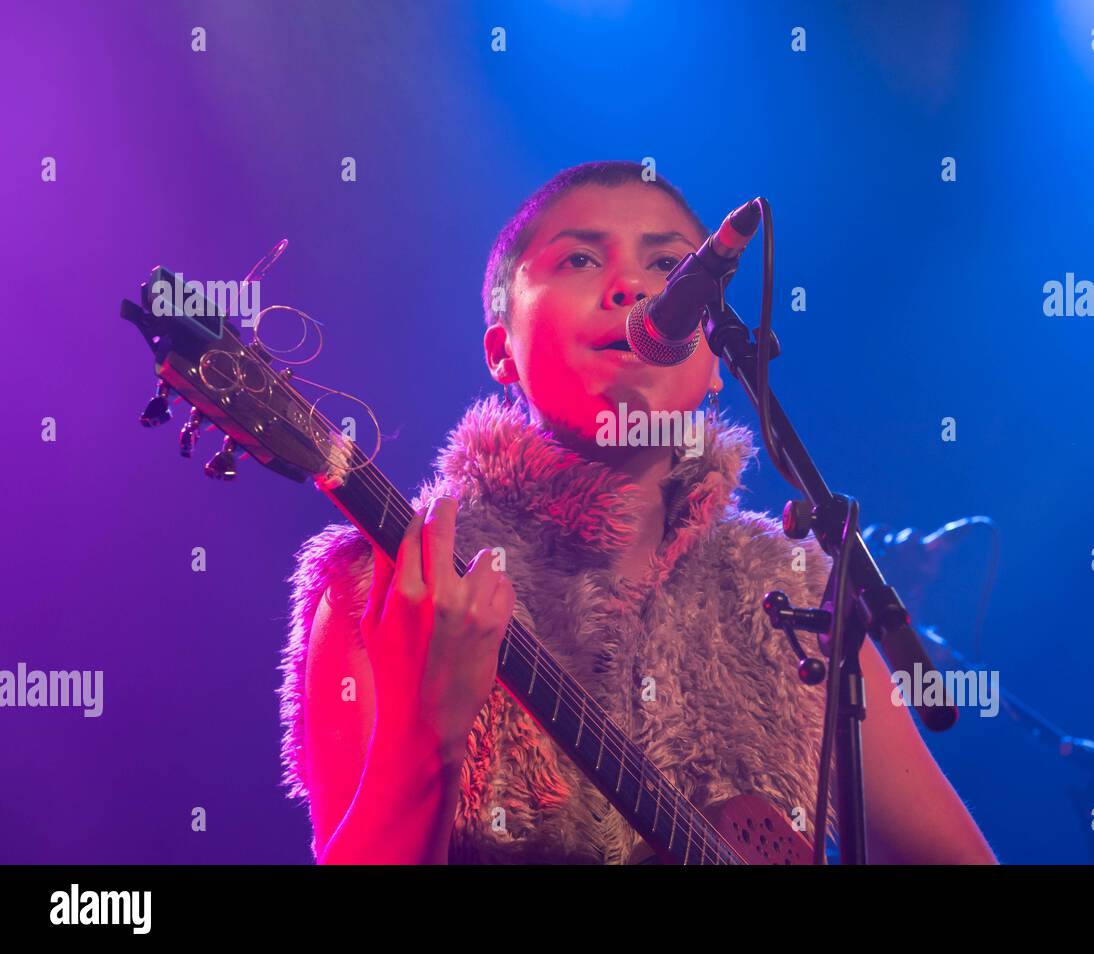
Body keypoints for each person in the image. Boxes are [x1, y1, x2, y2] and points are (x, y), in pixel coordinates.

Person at [276, 160, 997, 864]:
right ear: (502, 350)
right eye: (581, 259)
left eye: (669, 269)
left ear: (718, 361)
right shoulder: (394, 579)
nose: (631, 287)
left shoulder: (799, 595)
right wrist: (425, 734)